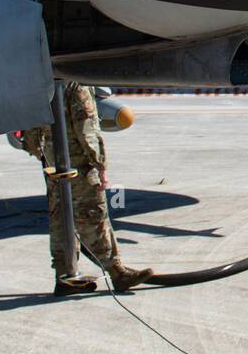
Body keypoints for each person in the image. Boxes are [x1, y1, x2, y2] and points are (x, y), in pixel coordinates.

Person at [22, 82, 155, 294]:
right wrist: (100, 164)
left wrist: (41, 153)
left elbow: (29, 124)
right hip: (79, 163)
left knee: (61, 218)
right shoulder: (75, 83)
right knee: (93, 214)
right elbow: (86, 128)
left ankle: (64, 275)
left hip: (52, 162)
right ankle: (117, 272)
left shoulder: (40, 82)